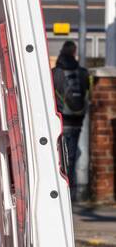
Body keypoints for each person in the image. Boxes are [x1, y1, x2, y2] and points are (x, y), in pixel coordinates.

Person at [52, 40, 89, 201]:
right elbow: (86, 89)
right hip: (77, 119)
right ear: (74, 52)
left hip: (61, 119)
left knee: (59, 154)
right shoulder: (82, 72)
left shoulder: (54, 73)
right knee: (72, 154)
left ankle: (61, 187)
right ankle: (70, 189)